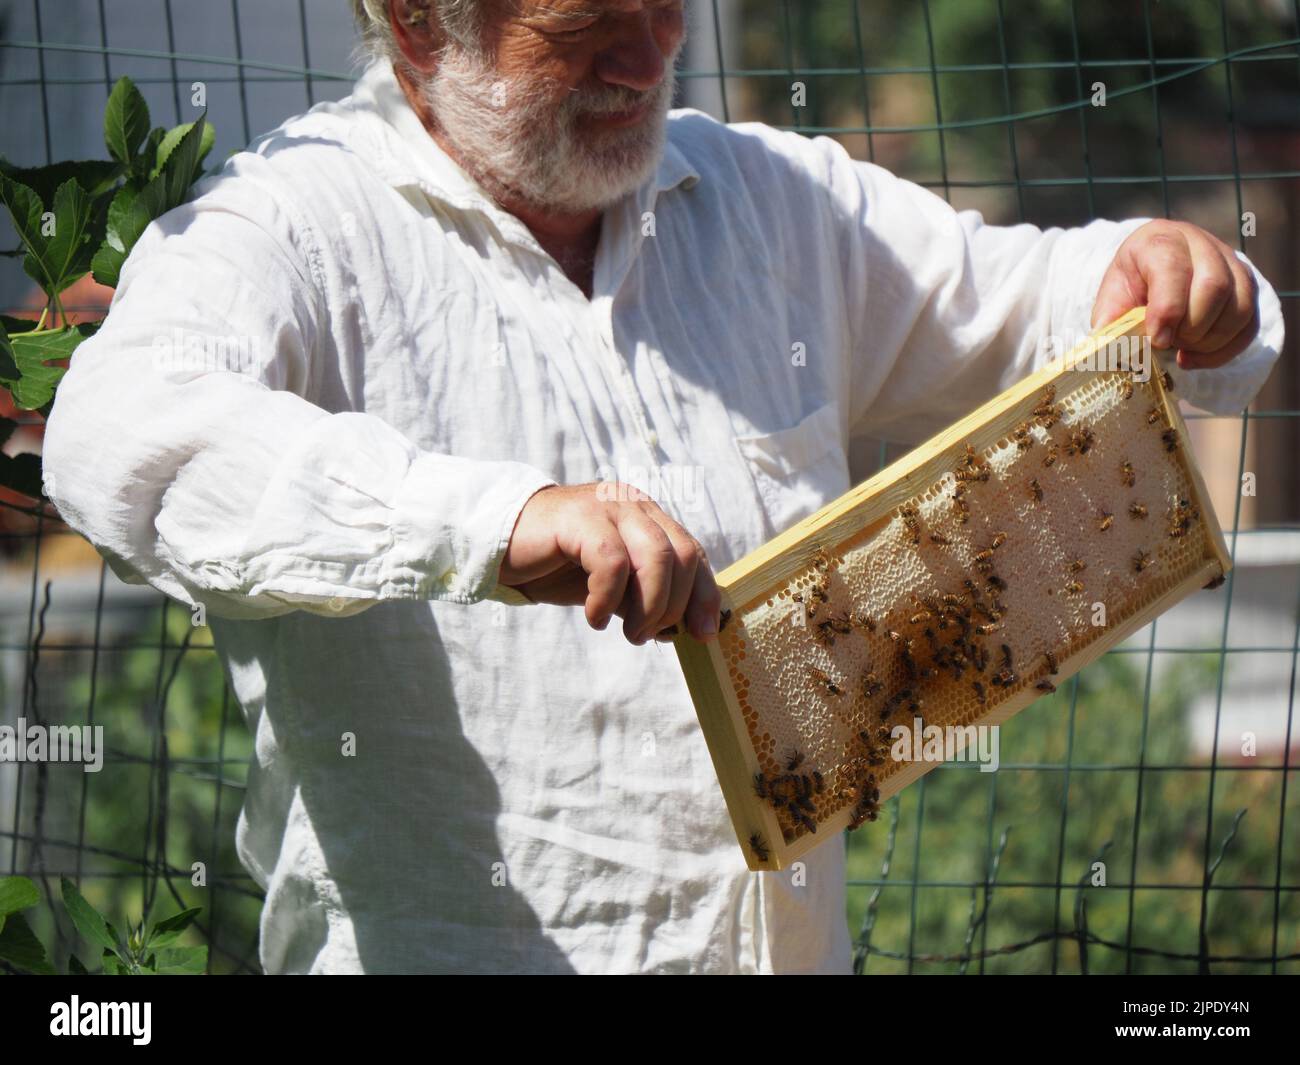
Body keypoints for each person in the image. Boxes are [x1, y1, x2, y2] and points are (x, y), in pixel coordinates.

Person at [41, 0, 1284, 974]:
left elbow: (1024, 306)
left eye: (664, 4)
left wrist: (1159, 278)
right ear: (421, 24)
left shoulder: (772, 202)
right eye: (583, 26)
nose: (644, 57)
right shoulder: (295, 223)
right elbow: (122, 431)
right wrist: (491, 521)